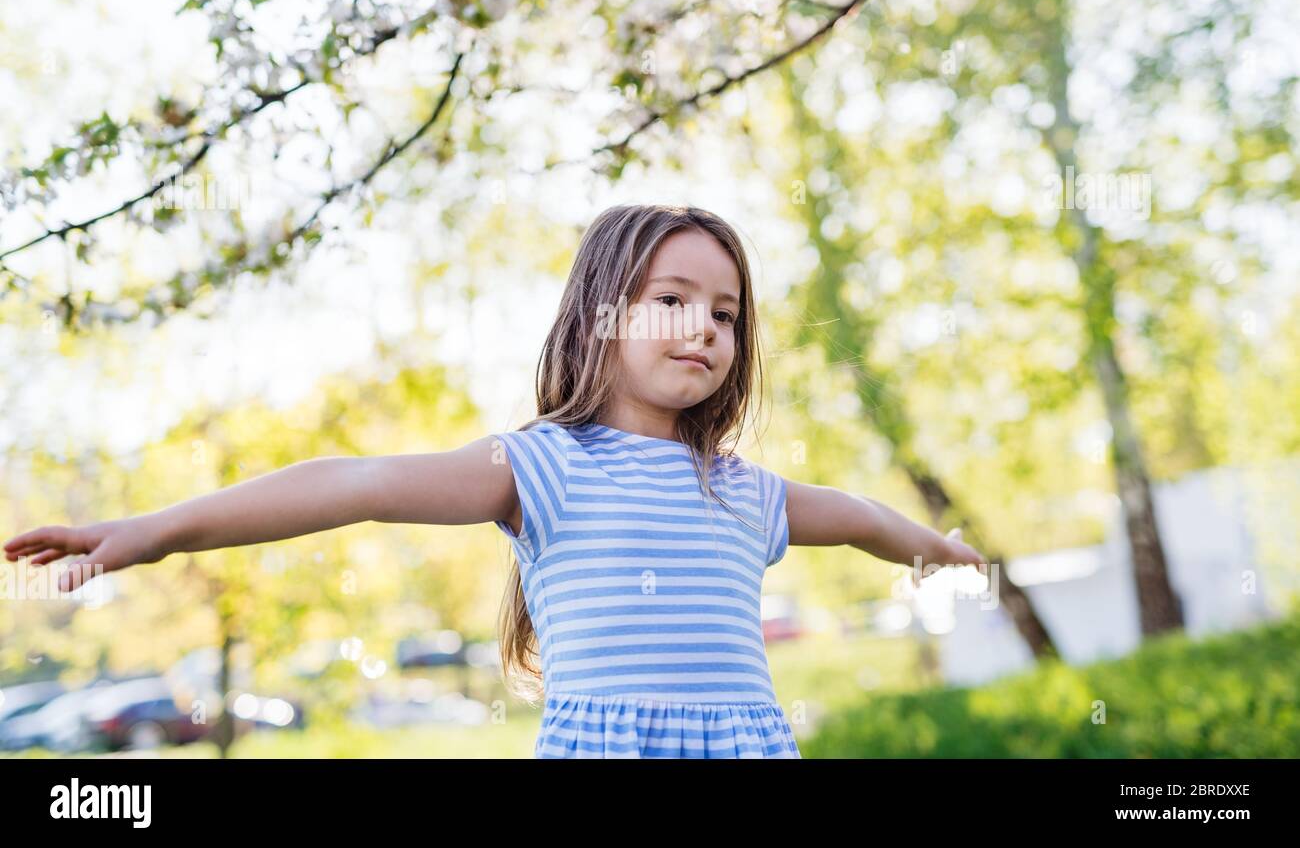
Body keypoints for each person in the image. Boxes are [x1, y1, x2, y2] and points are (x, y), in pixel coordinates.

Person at [4, 202, 986, 758]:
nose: (706, 328)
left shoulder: (743, 491)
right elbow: (357, 479)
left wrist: (930, 547)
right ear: (602, 313)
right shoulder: (543, 468)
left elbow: (855, 516)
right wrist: (155, 529)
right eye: (674, 299)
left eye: (726, 314)